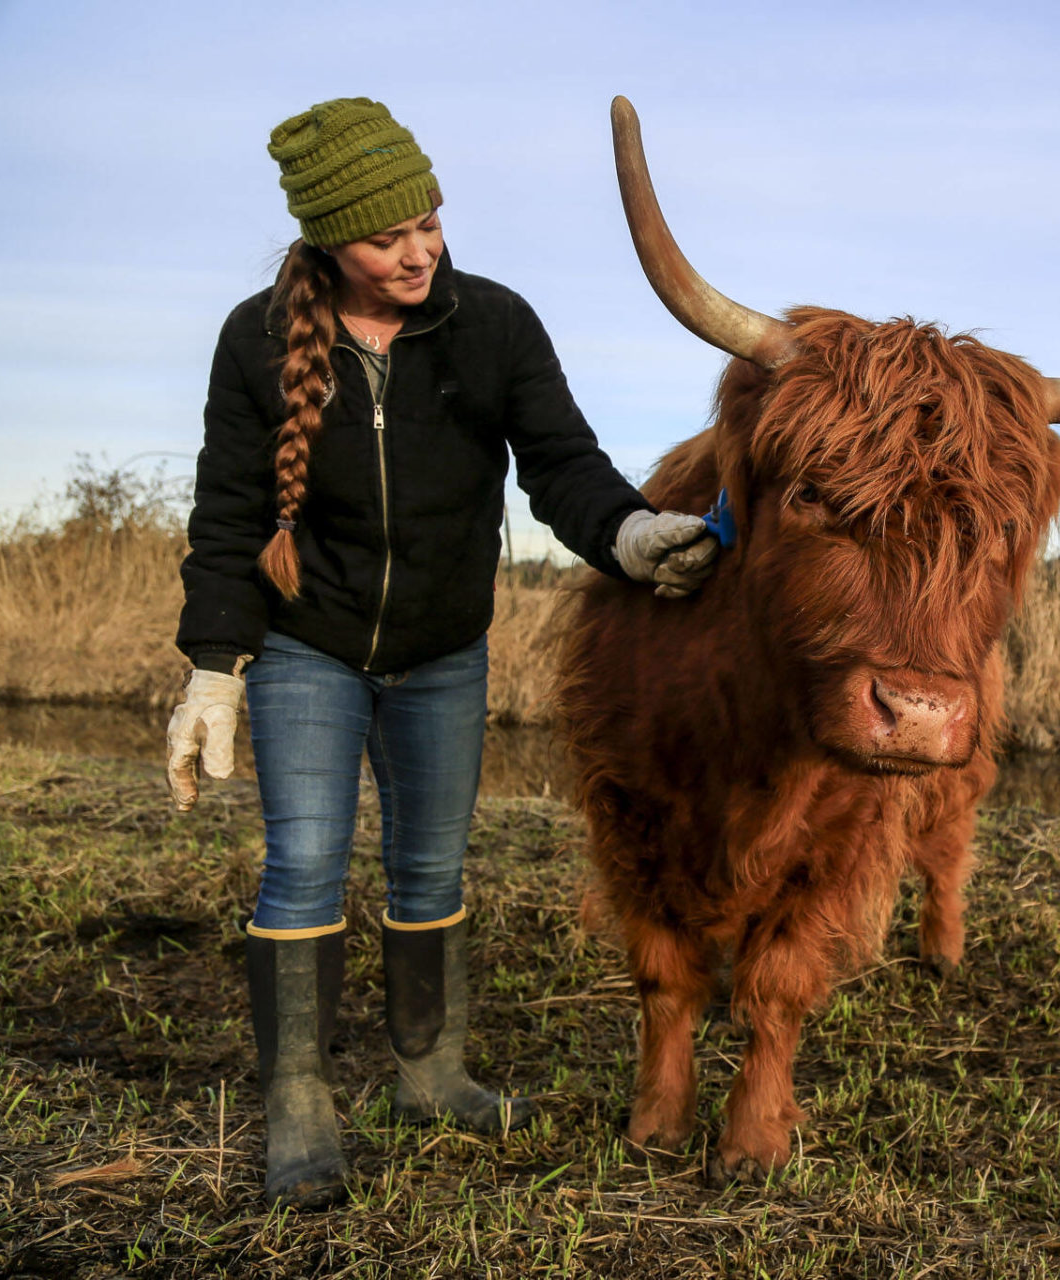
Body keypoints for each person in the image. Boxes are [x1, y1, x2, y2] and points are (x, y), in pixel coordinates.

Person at [163, 98, 719, 1209]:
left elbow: (561, 462)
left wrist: (628, 531)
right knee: (305, 863)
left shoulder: (493, 324)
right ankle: (299, 1106)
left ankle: (431, 1074)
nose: (418, 250)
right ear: (329, 240)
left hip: (443, 654)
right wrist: (215, 664)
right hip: (307, 647)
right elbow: (230, 510)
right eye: (386, 236)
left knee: (429, 868)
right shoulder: (255, 339)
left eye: (429, 220)